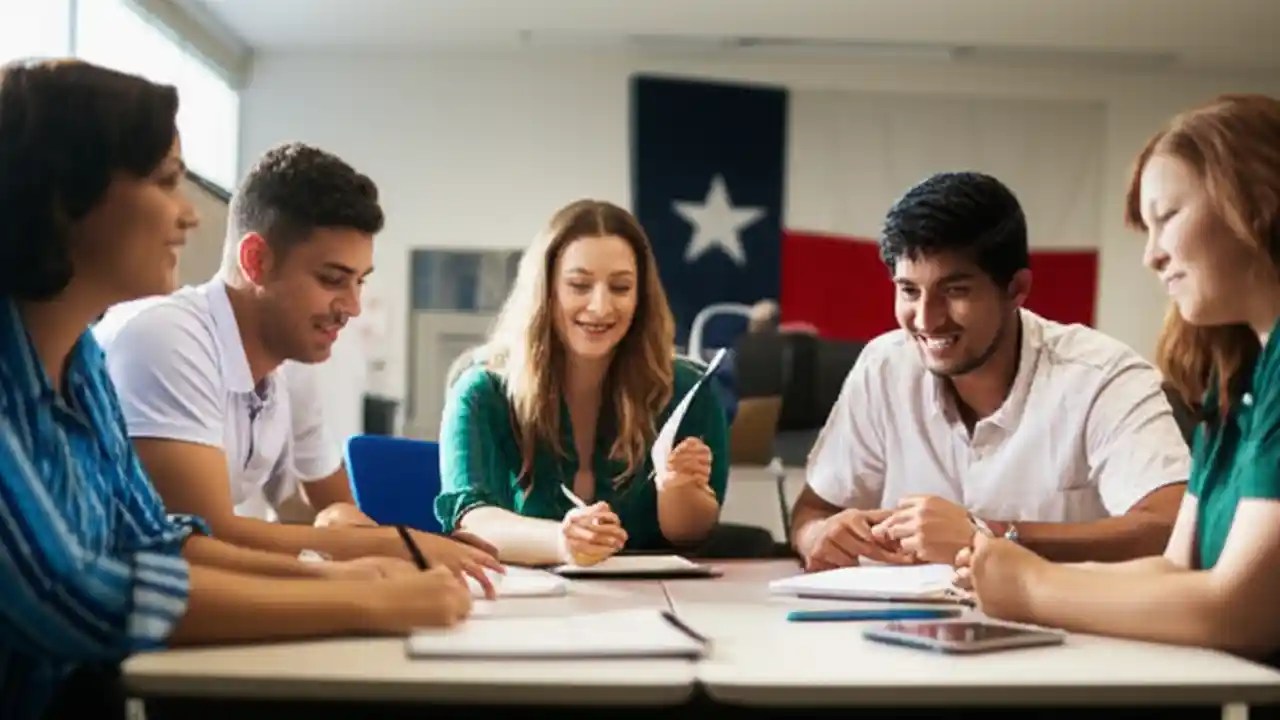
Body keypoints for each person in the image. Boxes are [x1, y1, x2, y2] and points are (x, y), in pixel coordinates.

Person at [0, 59, 471, 720]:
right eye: (165, 181)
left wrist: (333, 573)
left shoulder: (78, 363)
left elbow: (157, 538)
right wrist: (358, 595)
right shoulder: (139, 341)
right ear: (63, 195)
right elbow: (73, 595)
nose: (189, 215)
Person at [957, 94, 1280, 667]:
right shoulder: (1237, 376)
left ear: (1256, 198)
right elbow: (1177, 567)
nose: (1151, 256)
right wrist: (1013, 572)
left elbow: (1245, 611)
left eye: (1168, 217)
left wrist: (1032, 589)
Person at [93, 142, 500, 592]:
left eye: (359, 282)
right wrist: (398, 546)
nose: (353, 307)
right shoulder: (166, 337)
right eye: (332, 280)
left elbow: (326, 511)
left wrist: (365, 533)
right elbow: (203, 537)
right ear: (256, 261)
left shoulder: (292, 365)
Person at [790, 171, 1191, 571]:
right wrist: (819, 537)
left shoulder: (1102, 376)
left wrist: (988, 536)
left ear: (1016, 289)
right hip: (897, 625)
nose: (927, 320)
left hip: (1060, 629)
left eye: (955, 291)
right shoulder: (884, 366)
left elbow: (1168, 526)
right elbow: (812, 510)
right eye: (909, 291)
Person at [435, 199, 730, 566]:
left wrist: (678, 491)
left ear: (641, 297)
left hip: (655, 601)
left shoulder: (687, 390)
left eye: (621, 288)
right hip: (531, 607)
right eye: (579, 285)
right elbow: (473, 522)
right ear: (546, 290)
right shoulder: (482, 393)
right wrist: (562, 541)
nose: (601, 307)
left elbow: (692, 535)